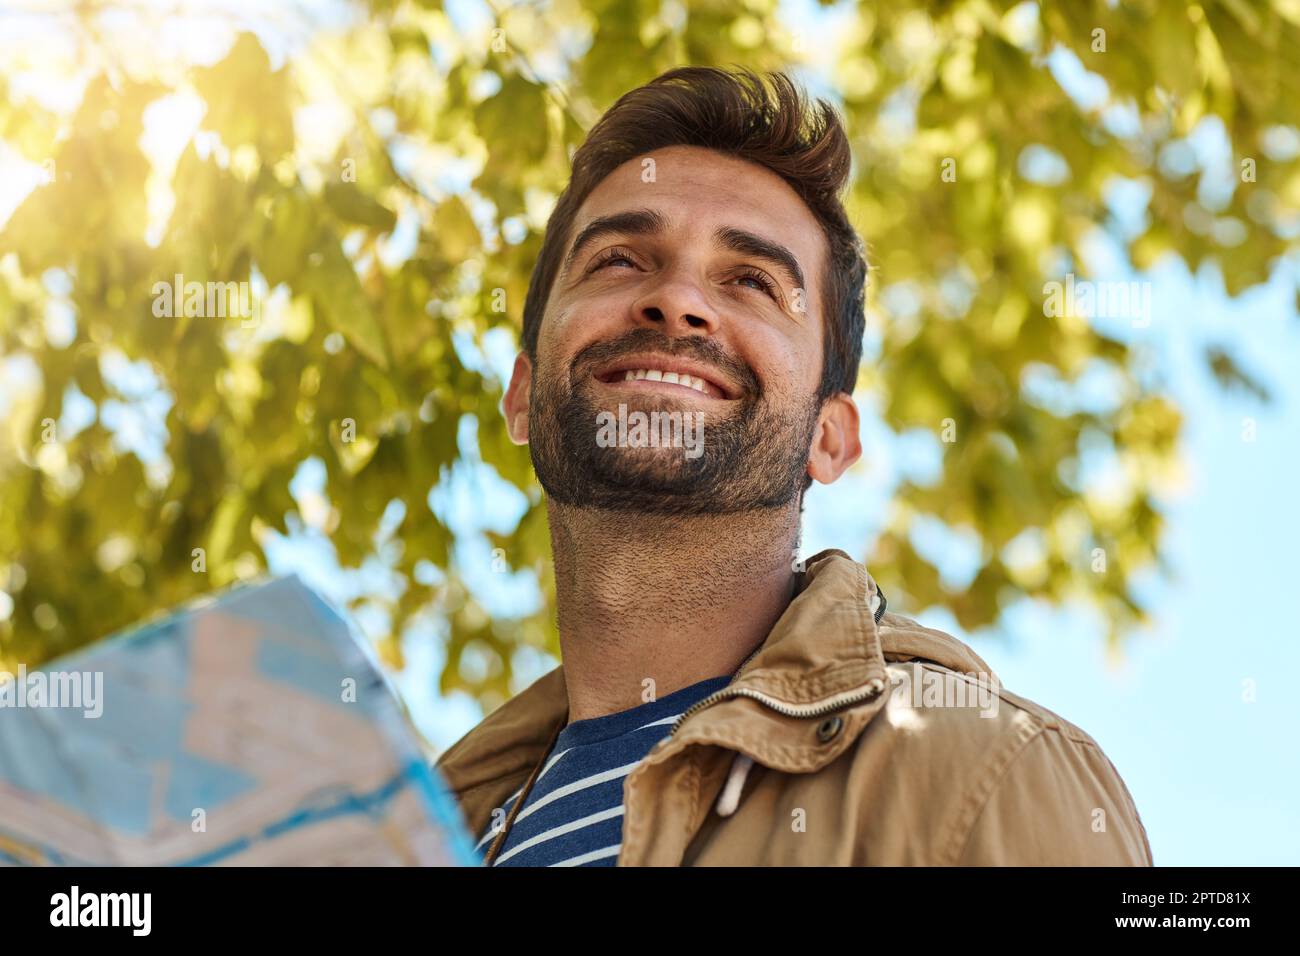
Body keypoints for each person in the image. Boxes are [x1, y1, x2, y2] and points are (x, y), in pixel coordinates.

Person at [435, 66, 1152, 867]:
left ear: (829, 436)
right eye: (619, 260)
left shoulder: (987, 769)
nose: (676, 299)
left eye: (751, 280)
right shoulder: (430, 836)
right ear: (522, 396)